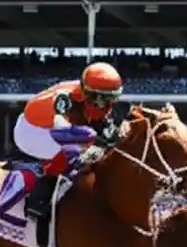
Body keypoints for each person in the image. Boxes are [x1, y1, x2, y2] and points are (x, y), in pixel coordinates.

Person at [16, 62, 125, 220]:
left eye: (111, 99)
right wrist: (91, 137)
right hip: (32, 131)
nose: (106, 106)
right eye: (100, 100)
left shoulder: (88, 96)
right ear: (85, 93)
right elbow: (62, 131)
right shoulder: (64, 99)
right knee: (76, 150)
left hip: (53, 127)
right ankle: (40, 197)